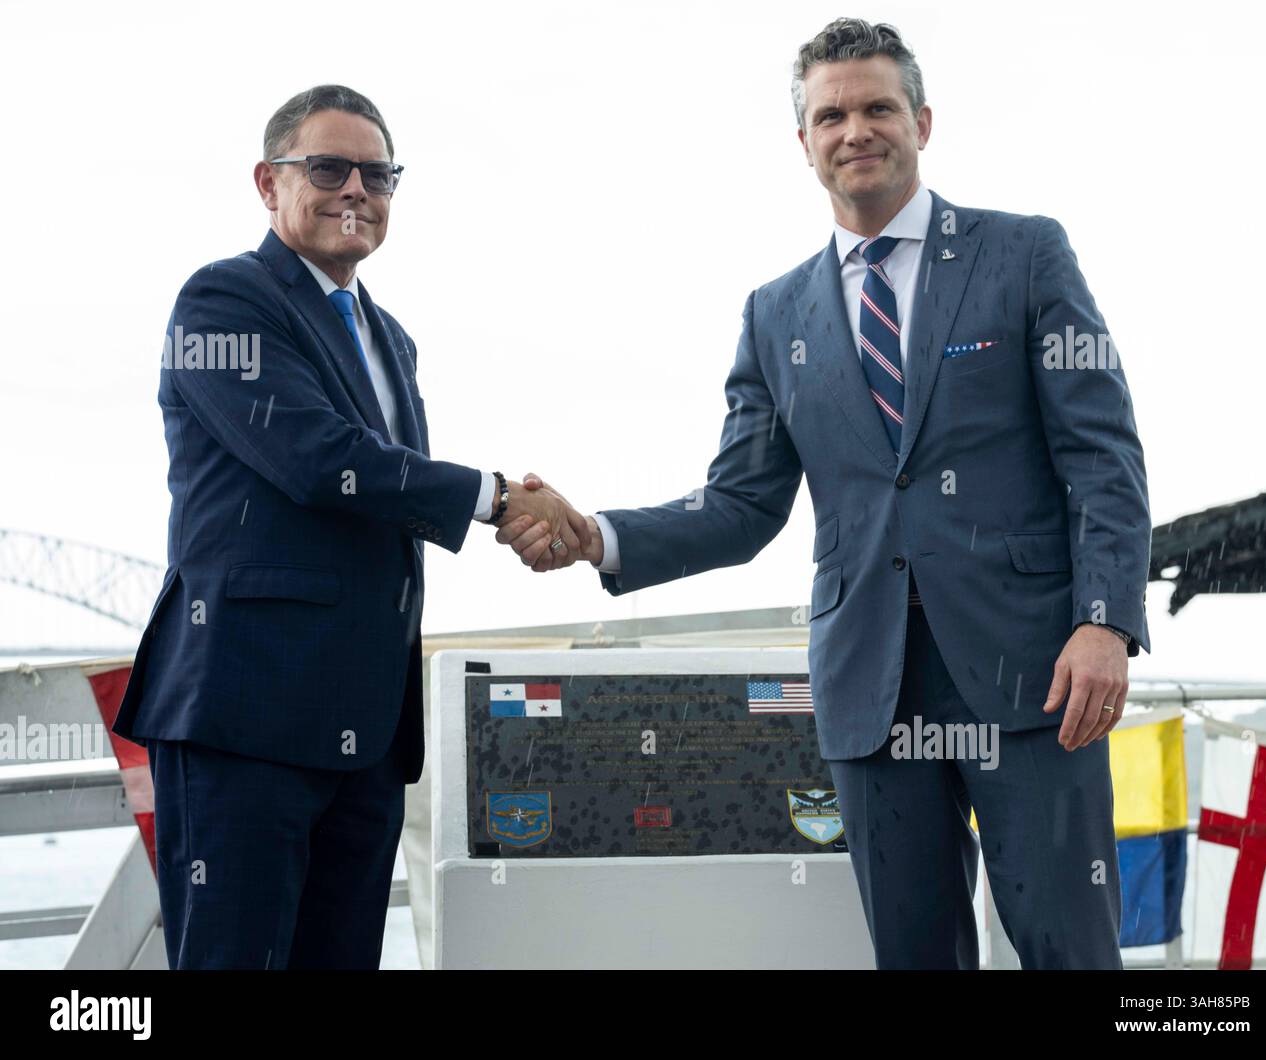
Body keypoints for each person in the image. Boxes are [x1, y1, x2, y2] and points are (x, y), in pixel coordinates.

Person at [496, 19, 1152, 969]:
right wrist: (597, 532)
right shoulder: (775, 314)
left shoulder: (1025, 256)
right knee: (913, 952)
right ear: (802, 142)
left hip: (1034, 674)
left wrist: (1105, 621)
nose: (857, 129)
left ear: (922, 120)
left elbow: (1104, 455)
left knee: (1069, 947)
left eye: (879, 106)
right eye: (830, 114)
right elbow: (740, 505)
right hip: (867, 688)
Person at [111, 84, 589, 969]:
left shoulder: (391, 337)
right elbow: (314, 457)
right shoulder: (222, 302)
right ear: (268, 182)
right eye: (328, 167)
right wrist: (495, 498)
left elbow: (383, 503)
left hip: (365, 737)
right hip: (244, 725)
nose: (355, 190)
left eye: (379, 173)